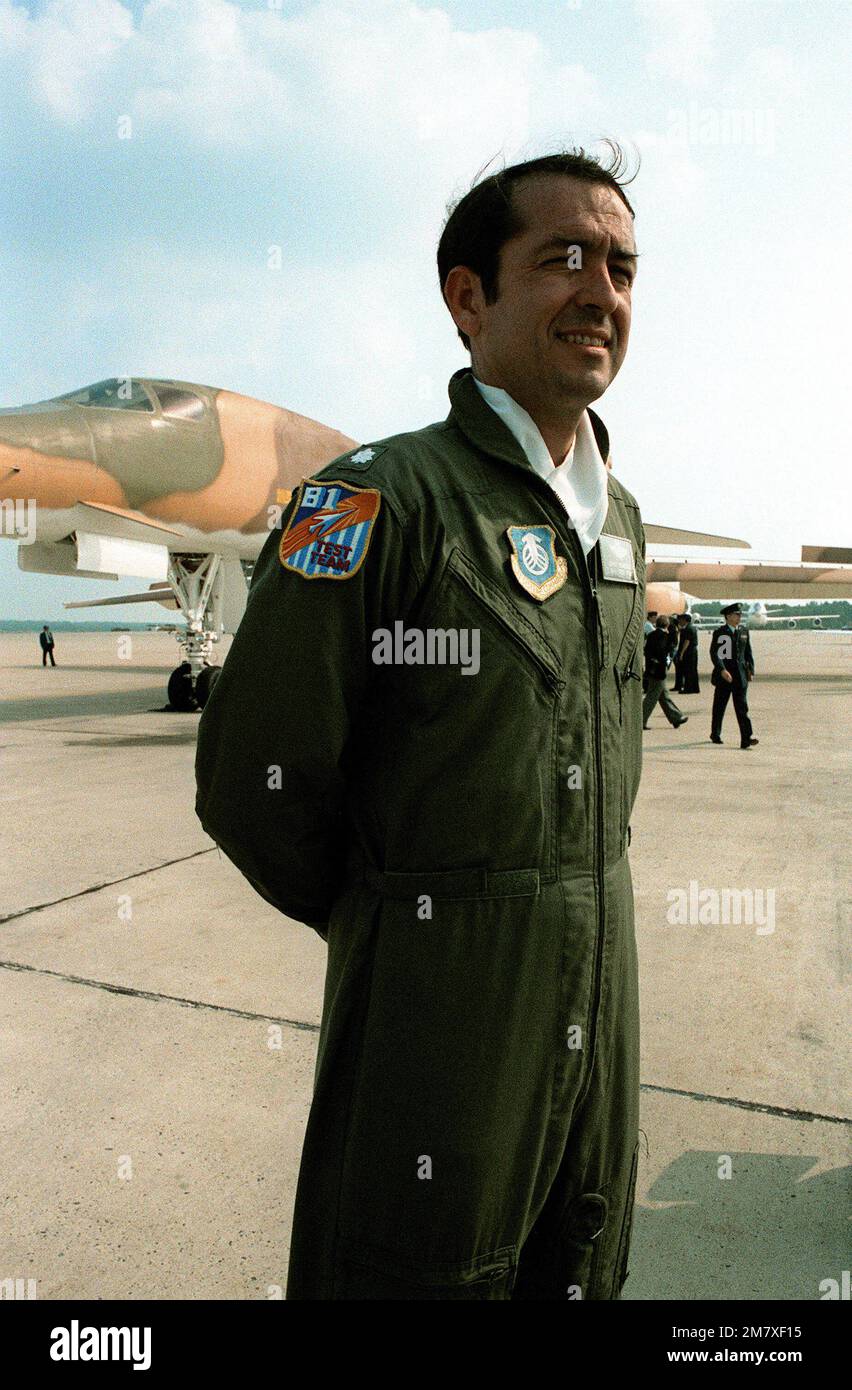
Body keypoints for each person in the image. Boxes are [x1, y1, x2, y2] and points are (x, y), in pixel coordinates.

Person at [196, 148, 645, 1300]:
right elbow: (255, 778)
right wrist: (406, 923)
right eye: (564, 259)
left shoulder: (622, 524)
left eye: (622, 268)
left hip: (603, 1007)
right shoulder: (370, 497)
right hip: (439, 1025)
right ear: (468, 298)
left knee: (583, 1263)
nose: (601, 291)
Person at [710, 602, 758, 748]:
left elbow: (748, 652)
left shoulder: (744, 631)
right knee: (719, 706)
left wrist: (751, 670)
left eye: (740, 614)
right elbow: (715, 654)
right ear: (728, 616)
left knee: (742, 708)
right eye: (736, 615)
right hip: (724, 676)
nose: (739, 617)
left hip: (740, 676)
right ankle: (715, 734)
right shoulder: (720, 633)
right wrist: (722, 670)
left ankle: (746, 738)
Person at [642, 616, 687, 729]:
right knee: (652, 697)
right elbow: (665, 651)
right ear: (667, 625)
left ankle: (675, 717)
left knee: (663, 695)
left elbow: (646, 651)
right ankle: (640, 720)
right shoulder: (664, 637)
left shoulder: (651, 635)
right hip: (659, 670)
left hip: (651, 668)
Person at [676, 612, 700, 693]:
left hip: (689, 652)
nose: (679, 621)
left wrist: (682, 653)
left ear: (685, 620)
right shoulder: (692, 627)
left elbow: (687, 641)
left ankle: (688, 688)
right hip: (693, 651)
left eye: (680, 620)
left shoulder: (688, 629)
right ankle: (695, 688)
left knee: (688, 670)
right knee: (693, 670)